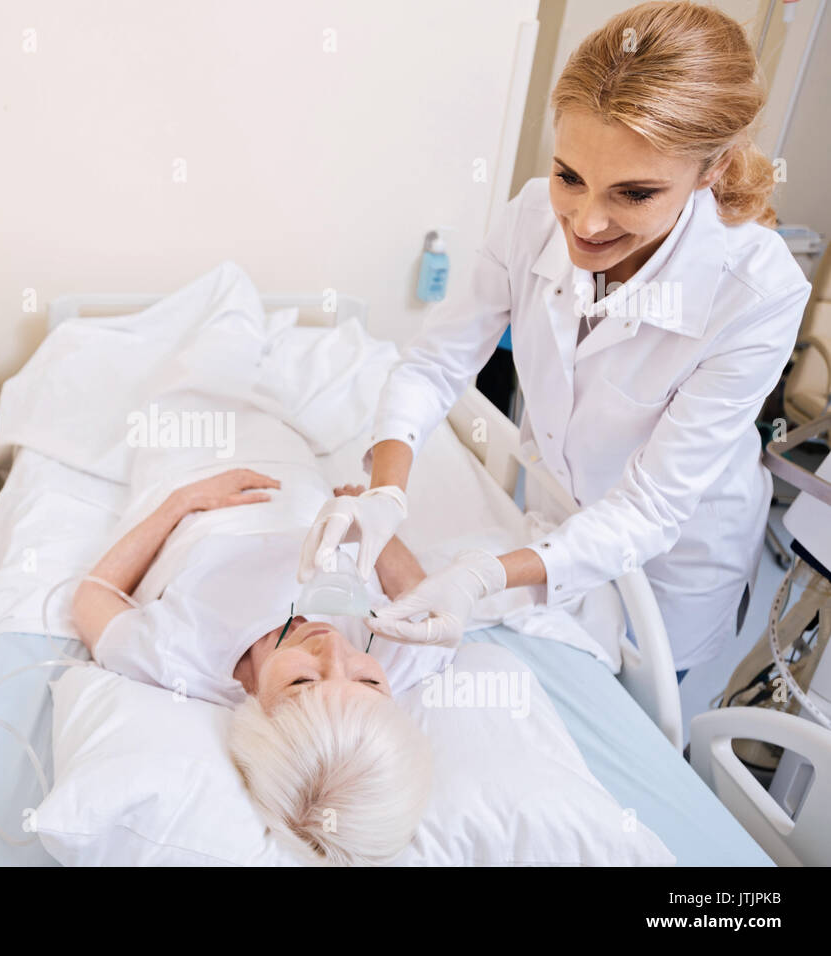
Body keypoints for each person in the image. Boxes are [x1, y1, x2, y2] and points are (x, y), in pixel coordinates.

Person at [304, 2, 813, 679]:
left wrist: (482, 576)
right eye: (570, 175)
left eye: (634, 194)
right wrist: (386, 495)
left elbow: (651, 507)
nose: (586, 221)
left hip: (671, 569)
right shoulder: (529, 217)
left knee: (633, 717)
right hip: (550, 520)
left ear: (713, 168)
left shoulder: (755, 290)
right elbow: (433, 367)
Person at [70, 454, 445, 865]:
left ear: (256, 712)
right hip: (305, 471)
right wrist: (373, 525)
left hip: (199, 464)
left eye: (303, 682)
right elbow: (422, 595)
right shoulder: (408, 646)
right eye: (368, 683)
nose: (333, 648)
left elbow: (93, 597)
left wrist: (182, 501)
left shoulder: (179, 654)